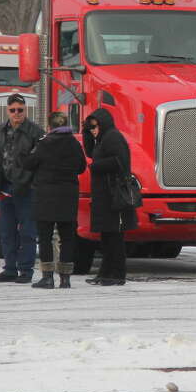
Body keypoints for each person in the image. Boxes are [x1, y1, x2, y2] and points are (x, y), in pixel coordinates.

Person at [22, 112, 87, 289]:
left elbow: (29, 163)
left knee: (45, 238)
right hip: (68, 196)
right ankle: (65, 279)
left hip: (46, 197)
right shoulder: (74, 144)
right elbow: (81, 167)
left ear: (50, 126)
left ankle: (48, 277)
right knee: (67, 238)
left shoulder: (44, 144)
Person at [0, 93, 44, 283]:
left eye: (20, 109)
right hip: (4, 187)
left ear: (25, 110)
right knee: (6, 231)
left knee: (27, 232)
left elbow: (40, 162)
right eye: (13, 110)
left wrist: (30, 183)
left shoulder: (35, 132)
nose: (17, 113)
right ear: (7, 111)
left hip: (27, 189)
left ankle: (26, 270)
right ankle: (9, 268)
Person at [82, 108, 136, 286]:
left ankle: (117, 274)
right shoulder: (102, 138)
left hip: (113, 194)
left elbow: (120, 161)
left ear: (103, 123)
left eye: (95, 127)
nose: (93, 130)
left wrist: (96, 166)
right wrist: (86, 133)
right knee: (107, 236)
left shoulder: (112, 137)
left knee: (114, 236)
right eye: (90, 128)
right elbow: (90, 152)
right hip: (105, 194)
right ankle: (106, 272)